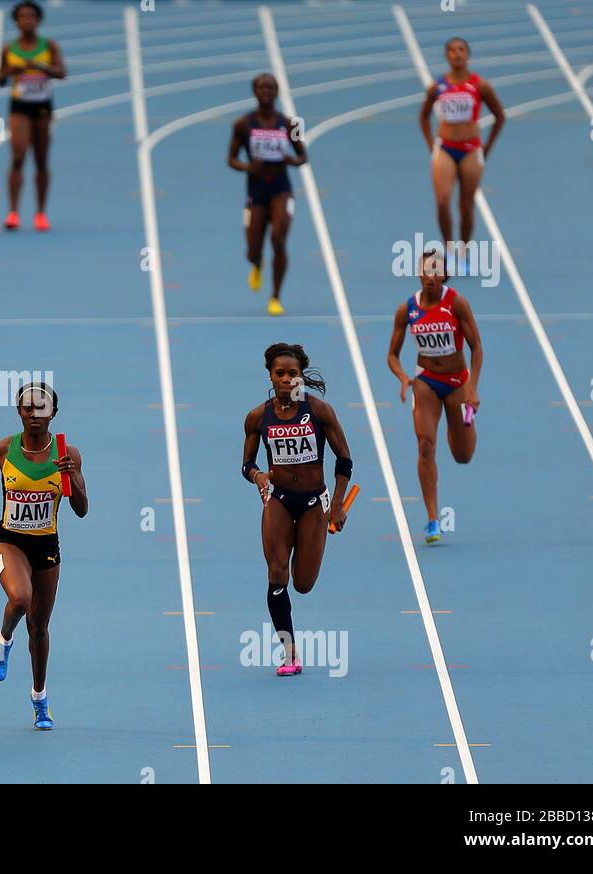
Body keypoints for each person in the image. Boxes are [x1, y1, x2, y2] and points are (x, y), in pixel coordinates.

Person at [0, 383, 88, 729]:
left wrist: (73, 476)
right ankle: (2, 641)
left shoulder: (66, 453)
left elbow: (82, 510)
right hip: (8, 539)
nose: (35, 414)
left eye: (42, 409)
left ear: (53, 413)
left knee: (39, 627)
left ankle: (39, 700)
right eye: (28, 408)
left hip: (46, 547)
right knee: (20, 598)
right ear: (19, 411)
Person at [241, 344, 352, 675]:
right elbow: (246, 464)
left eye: (293, 374)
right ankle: (289, 652)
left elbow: (344, 459)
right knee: (277, 573)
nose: (287, 379)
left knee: (303, 584)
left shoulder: (319, 412)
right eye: (280, 373)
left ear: (301, 377)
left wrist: (338, 506)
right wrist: (259, 476)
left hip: (313, 504)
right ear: (270, 376)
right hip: (277, 499)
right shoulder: (258, 418)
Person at [386, 249, 483, 543]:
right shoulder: (407, 310)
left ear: (443, 275)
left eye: (436, 271)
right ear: (419, 273)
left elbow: (476, 347)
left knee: (462, 455)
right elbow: (392, 354)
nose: (430, 276)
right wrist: (404, 377)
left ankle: (464, 419)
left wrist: (472, 387)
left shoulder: (457, 303)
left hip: (456, 382)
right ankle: (432, 520)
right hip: (425, 380)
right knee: (425, 446)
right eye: (425, 270)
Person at [417, 37, 505, 270]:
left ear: (468, 54)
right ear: (447, 56)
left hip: (470, 149)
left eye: (461, 50)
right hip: (445, 148)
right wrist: (431, 145)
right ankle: (449, 250)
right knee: (442, 201)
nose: (457, 54)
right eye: (452, 50)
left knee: (466, 204)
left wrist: (486, 148)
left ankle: (464, 252)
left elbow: (500, 116)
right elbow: (423, 117)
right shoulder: (437, 87)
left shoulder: (480, 85)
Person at [227, 74, 306, 316]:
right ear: (254, 91)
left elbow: (303, 156)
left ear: (277, 91)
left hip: (281, 190)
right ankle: (257, 263)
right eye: (261, 88)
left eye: (270, 88)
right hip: (256, 192)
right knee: (252, 249)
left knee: (278, 239)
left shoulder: (289, 124)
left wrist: (291, 160)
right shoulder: (243, 125)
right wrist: (248, 167)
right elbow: (231, 159)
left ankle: (275, 297)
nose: (266, 91)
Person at [0, 1, 65, 232]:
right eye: (23, 16)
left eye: (32, 16)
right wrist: (11, 71)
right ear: (16, 21)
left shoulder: (50, 46)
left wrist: (43, 68)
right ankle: (13, 212)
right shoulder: (9, 49)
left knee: (41, 159)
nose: (27, 20)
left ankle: (40, 213)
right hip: (20, 105)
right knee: (18, 154)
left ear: (38, 20)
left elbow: (62, 72)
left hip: (43, 106)